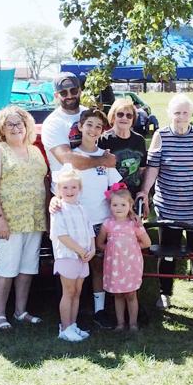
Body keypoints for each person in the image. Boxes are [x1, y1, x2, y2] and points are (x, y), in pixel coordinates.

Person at [139, 94, 193, 310]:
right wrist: (144, 191)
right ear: (170, 114)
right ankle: (165, 293)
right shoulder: (161, 135)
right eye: (177, 113)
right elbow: (153, 168)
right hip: (168, 205)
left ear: (191, 114)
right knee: (167, 252)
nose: (181, 117)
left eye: (185, 113)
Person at [0, 106, 47, 331]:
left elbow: (44, 183)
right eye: (9, 124)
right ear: (2, 128)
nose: (15, 127)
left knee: (28, 268)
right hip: (9, 222)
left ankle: (21, 311)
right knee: (7, 268)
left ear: (27, 126)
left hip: (35, 219)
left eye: (19, 123)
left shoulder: (35, 151)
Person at [69, 108, 124, 316]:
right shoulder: (72, 156)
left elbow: (116, 188)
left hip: (101, 221)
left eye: (98, 126)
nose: (93, 130)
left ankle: (99, 310)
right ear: (81, 127)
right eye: (89, 125)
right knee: (78, 267)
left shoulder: (106, 157)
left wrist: (127, 208)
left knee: (99, 266)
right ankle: (75, 308)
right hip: (78, 222)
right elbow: (60, 189)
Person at [96, 186, 151, 332]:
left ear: (130, 205)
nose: (118, 208)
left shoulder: (134, 224)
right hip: (114, 266)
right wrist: (112, 250)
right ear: (110, 206)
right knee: (118, 294)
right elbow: (100, 243)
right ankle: (120, 323)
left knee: (131, 294)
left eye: (123, 205)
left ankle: (133, 323)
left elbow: (147, 242)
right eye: (115, 205)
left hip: (131, 264)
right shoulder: (107, 224)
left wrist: (131, 246)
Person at [49, 170, 95, 342]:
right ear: (59, 189)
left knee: (77, 292)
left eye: (73, 187)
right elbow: (62, 235)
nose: (70, 191)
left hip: (83, 257)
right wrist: (80, 251)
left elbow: (90, 231)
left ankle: (73, 324)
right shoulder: (59, 210)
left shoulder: (82, 208)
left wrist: (91, 250)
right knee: (68, 291)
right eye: (65, 187)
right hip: (68, 255)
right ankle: (65, 327)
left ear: (80, 189)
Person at [41, 72, 116, 175]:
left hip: (94, 182)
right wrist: (102, 160)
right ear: (56, 95)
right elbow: (67, 159)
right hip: (67, 187)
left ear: (80, 91)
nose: (69, 96)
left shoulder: (89, 113)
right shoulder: (52, 123)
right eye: (63, 93)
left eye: (73, 90)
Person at [99, 98, 147, 197]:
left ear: (133, 119)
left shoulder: (139, 140)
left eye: (129, 115)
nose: (124, 118)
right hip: (111, 197)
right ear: (113, 117)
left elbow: (142, 170)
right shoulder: (104, 139)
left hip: (133, 195)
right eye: (120, 114)